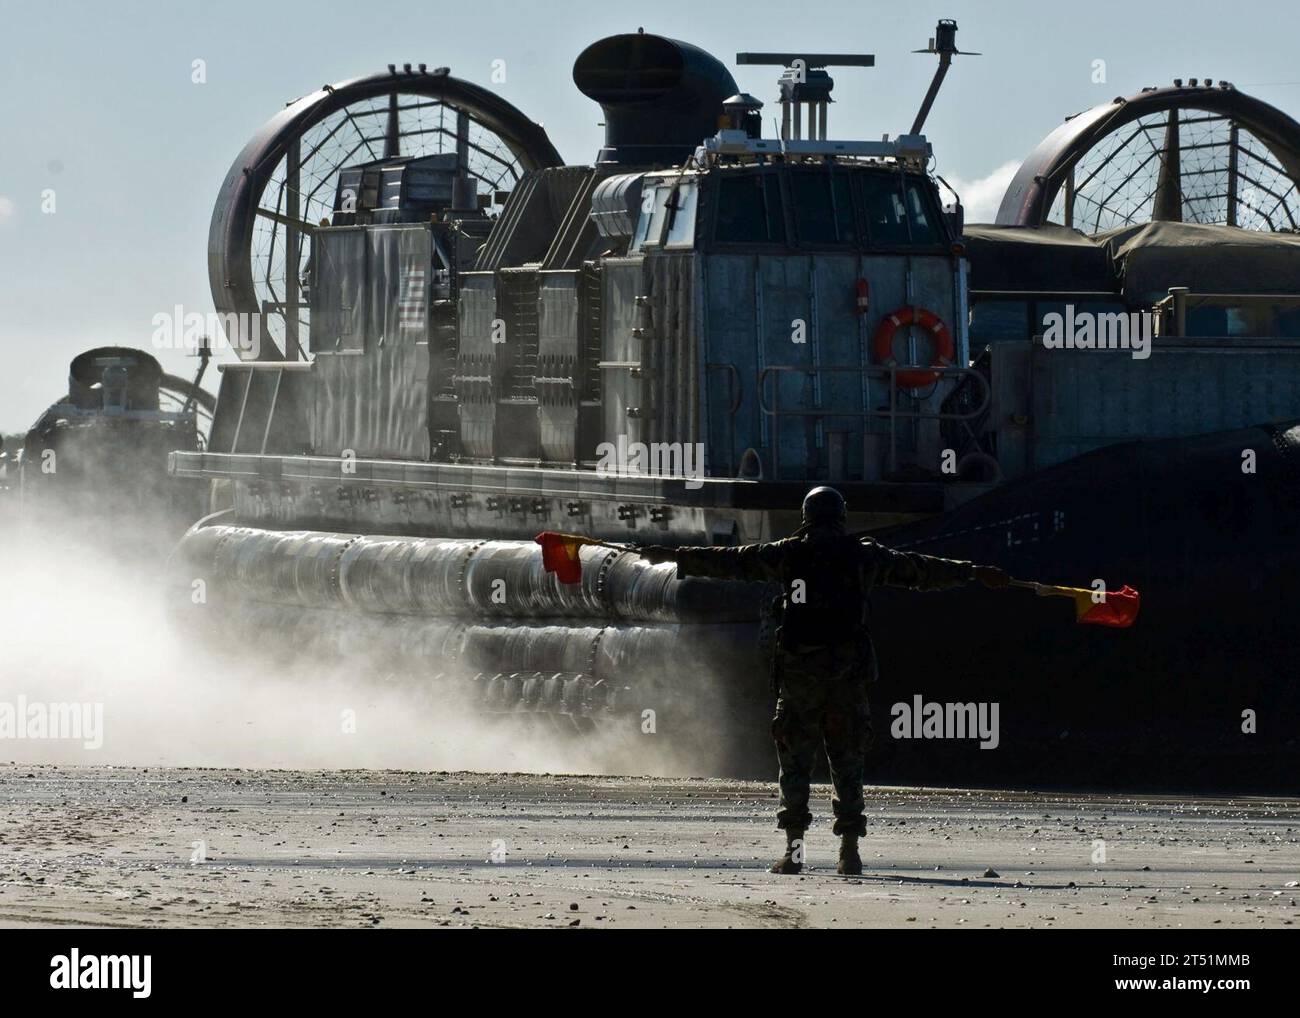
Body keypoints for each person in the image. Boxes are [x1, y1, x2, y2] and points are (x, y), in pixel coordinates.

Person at [638, 486, 1008, 876]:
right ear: (841, 516)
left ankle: (793, 854)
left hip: (799, 677)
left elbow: (733, 562)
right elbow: (920, 570)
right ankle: (849, 852)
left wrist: (673, 556)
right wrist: (972, 573)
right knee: (847, 762)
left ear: (806, 516)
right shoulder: (864, 556)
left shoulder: (787, 553)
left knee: (795, 764)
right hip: (847, 676)